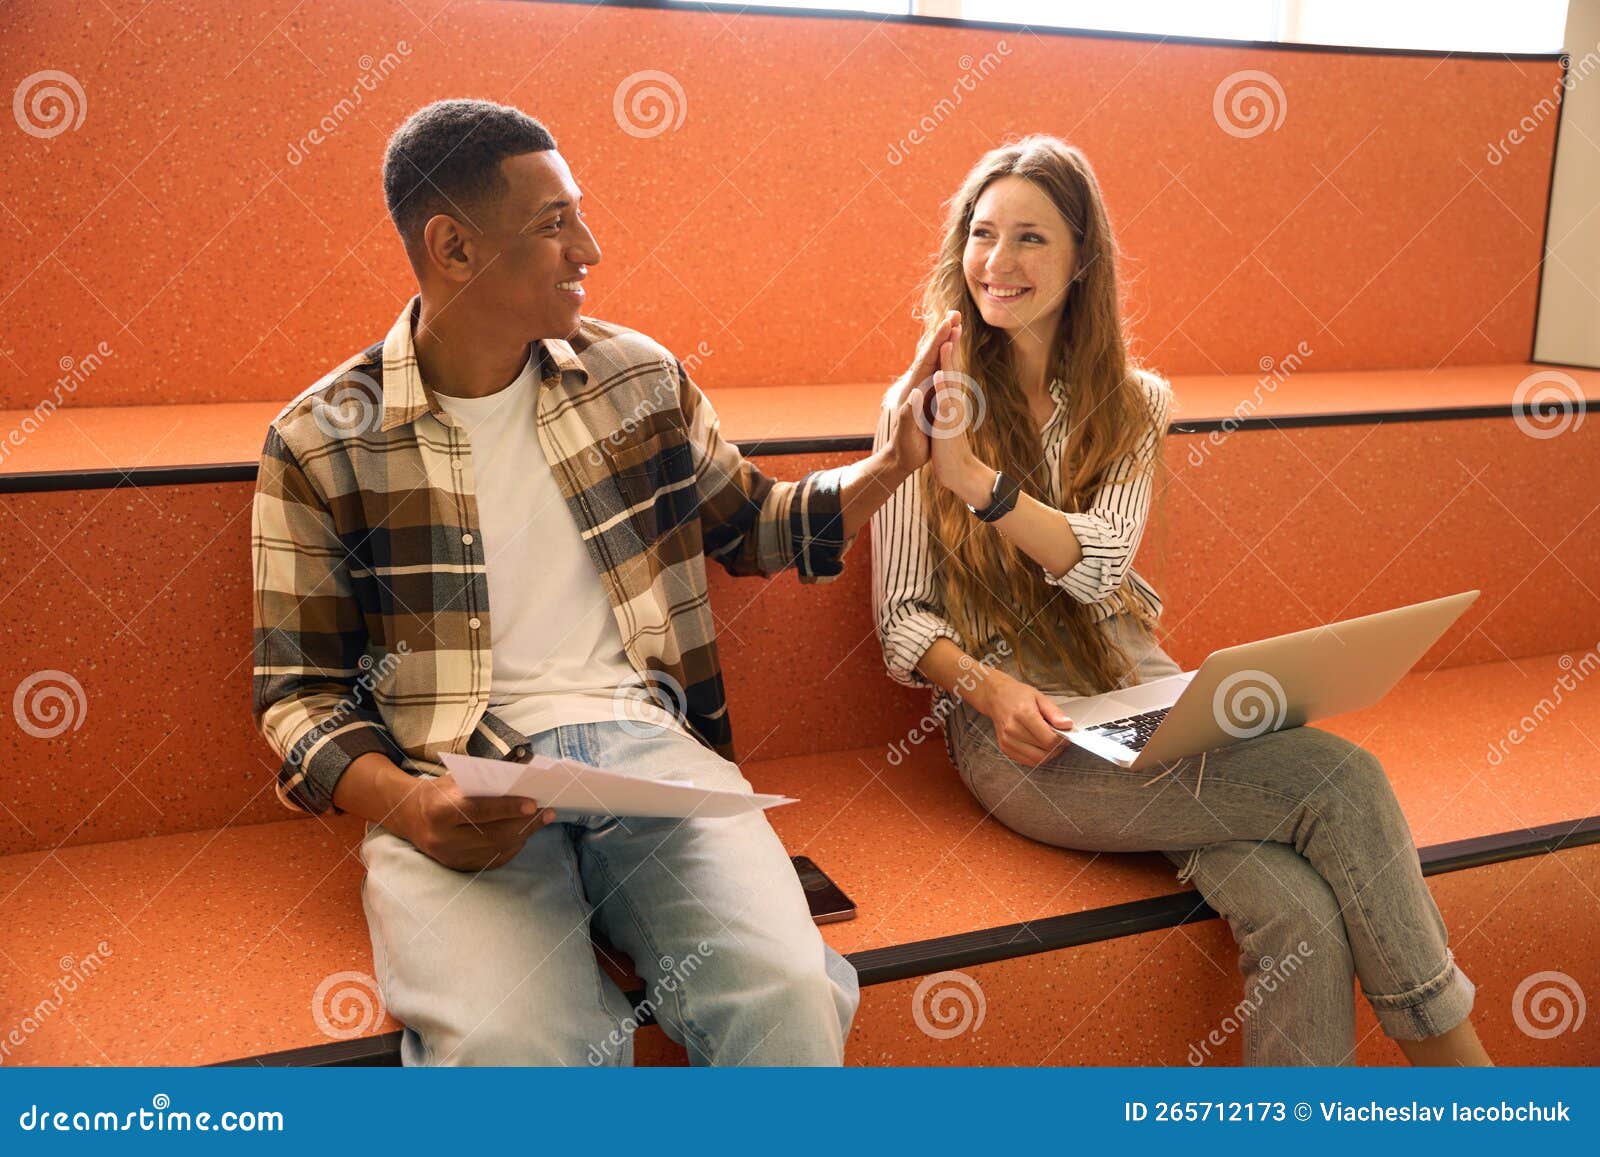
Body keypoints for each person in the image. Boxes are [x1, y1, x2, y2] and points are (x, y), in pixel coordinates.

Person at [251, 99, 933, 1066]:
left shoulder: (636, 379)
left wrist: (891, 466)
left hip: (648, 756)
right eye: (553, 223)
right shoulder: (323, 439)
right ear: (451, 247)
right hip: (457, 780)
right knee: (512, 1048)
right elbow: (298, 696)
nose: (591, 247)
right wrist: (409, 809)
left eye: (579, 213)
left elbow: (749, 526)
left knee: (786, 995)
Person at [869, 135, 1491, 1066]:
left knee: (1301, 913)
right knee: (1341, 779)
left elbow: (1103, 568)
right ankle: (1470, 1094)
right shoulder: (921, 405)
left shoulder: (1134, 402)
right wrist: (991, 691)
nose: (998, 263)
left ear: (1082, 259)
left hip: (1142, 694)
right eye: (982, 233)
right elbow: (900, 618)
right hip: (1021, 734)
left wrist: (982, 485)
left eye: (1031, 239)